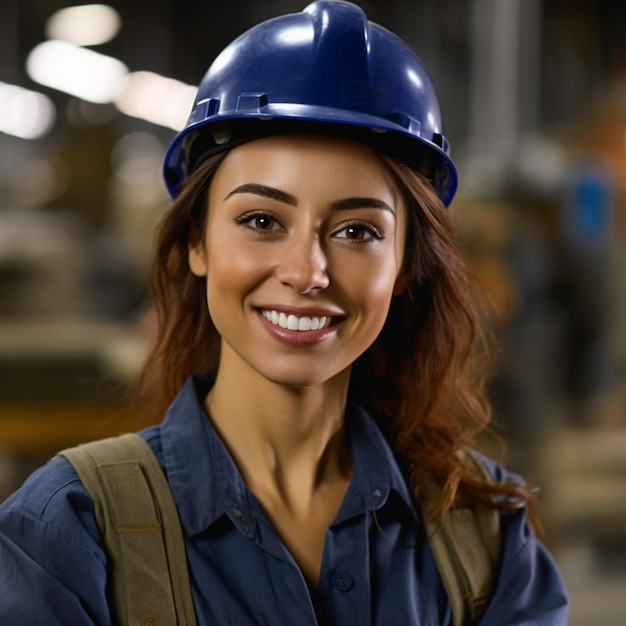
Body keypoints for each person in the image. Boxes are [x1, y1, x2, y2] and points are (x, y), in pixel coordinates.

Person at [0, 1, 569, 624]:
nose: (306, 272)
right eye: (262, 221)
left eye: (356, 231)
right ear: (197, 242)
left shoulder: (486, 538)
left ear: (406, 263)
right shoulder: (67, 535)